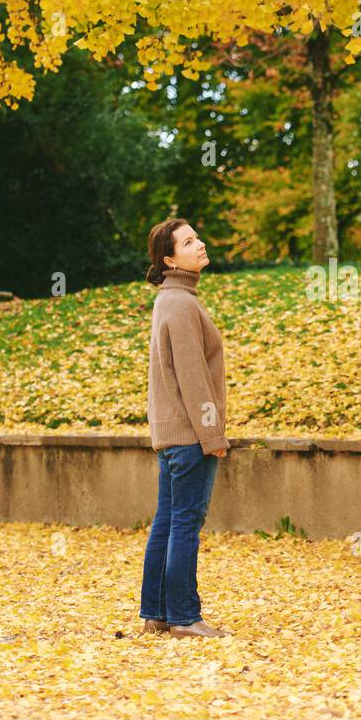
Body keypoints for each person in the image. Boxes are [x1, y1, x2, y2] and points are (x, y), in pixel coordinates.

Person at [138, 218, 232, 639]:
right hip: (190, 434)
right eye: (189, 241)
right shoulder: (180, 302)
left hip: (173, 433)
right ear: (169, 258)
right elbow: (194, 378)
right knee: (184, 523)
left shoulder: (171, 299)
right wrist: (213, 436)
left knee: (168, 521)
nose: (200, 244)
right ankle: (183, 617)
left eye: (198, 237)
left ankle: (156, 613)